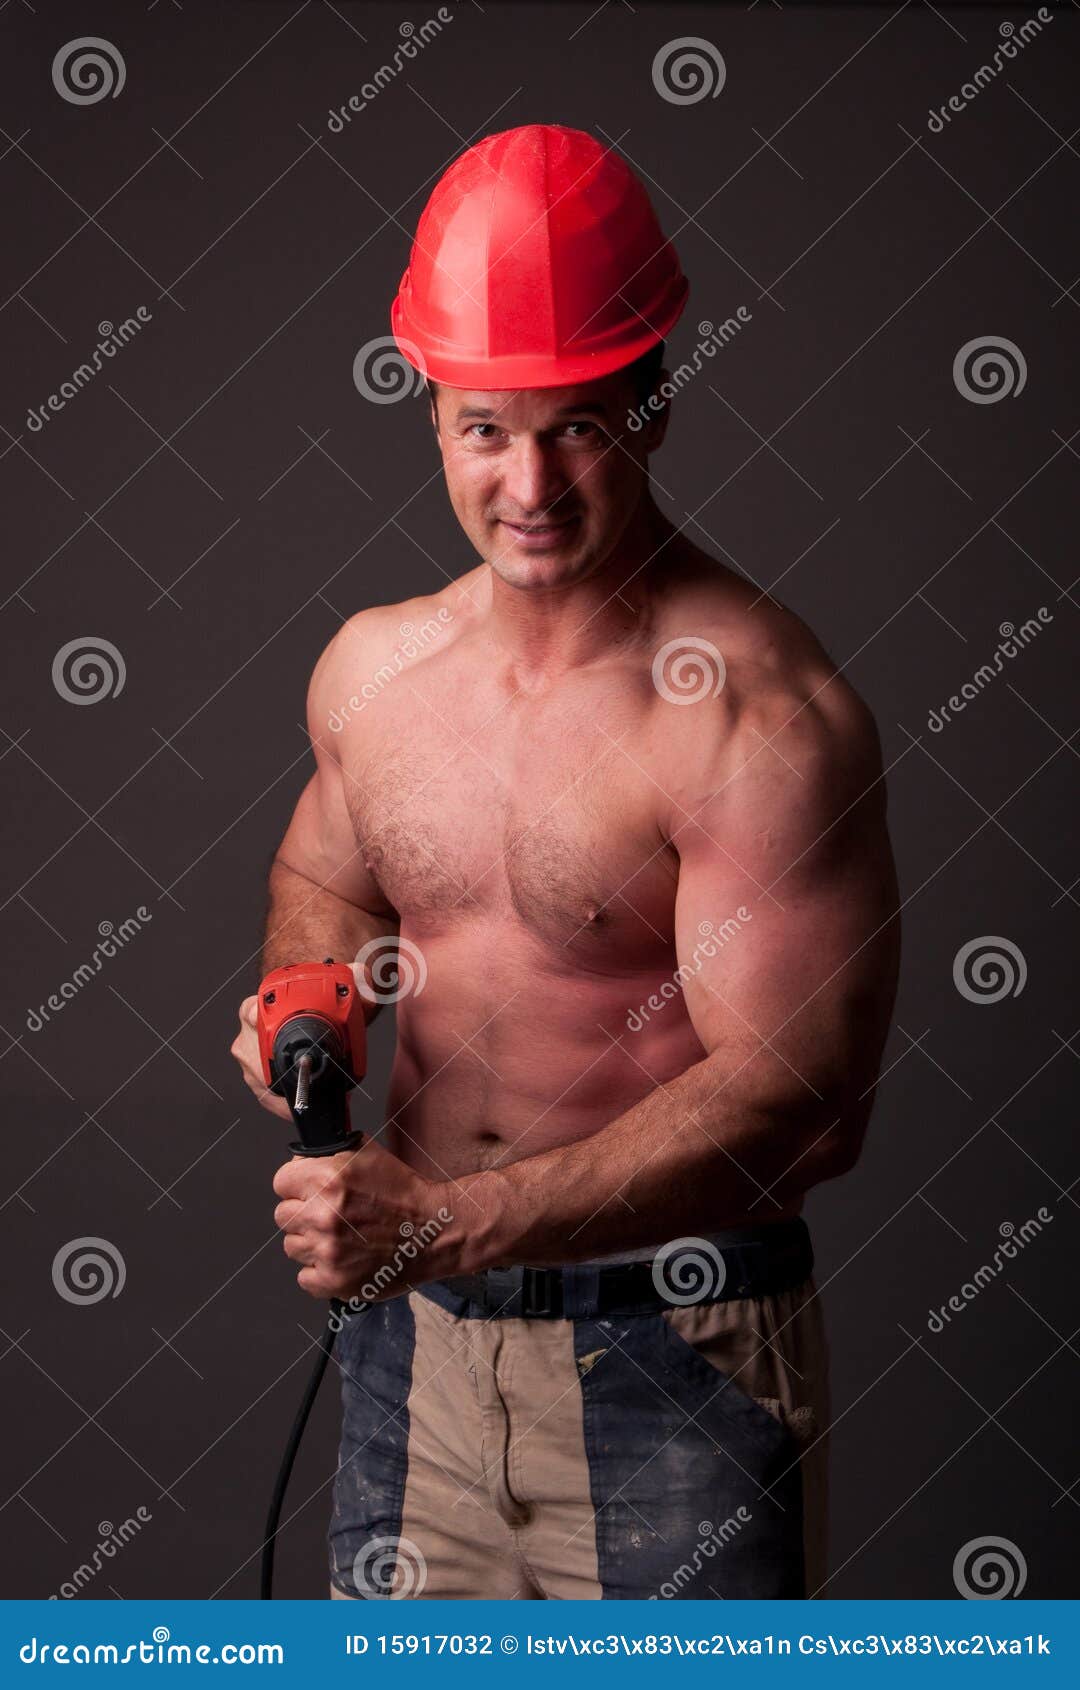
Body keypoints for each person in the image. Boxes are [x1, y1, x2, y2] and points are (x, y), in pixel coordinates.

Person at [230, 123, 900, 1601]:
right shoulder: (376, 671)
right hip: (418, 1357)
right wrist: (307, 1003)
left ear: (653, 410)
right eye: (487, 429)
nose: (529, 484)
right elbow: (326, 878)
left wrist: (447, 1222)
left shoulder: (755, 717)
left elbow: (806, 1110)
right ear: (430, 411)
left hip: (674, 1353)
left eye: (577, 426)